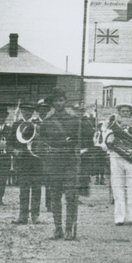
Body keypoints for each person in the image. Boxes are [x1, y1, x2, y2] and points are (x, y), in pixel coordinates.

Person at [39, 90, 82, 239]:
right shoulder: (47, 121)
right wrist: (45, 156)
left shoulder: (74, 119)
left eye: (61, 100)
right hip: (53, 162)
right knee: (54, 196)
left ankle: (69, 228)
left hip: (70, 161)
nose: (58, 103)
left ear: (65, 101)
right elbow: (40, 143)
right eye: (55, 101)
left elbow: (82, 139)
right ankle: (58, 228)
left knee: (71, 196)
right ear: (52, 103)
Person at [102, 103, 132, 226]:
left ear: (131, 113)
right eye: (122, 111)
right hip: (116, 158)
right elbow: (105, 145)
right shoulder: (110, 127)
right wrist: (112, 143)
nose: (125, 113)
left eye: (127, 111)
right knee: (117, 186)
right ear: (119, 113)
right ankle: (119, 217)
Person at [9, 101, 44, 224]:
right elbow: (9, 144)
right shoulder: (16, 125)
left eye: (30, 111)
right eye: (25, 110)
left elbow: (44, 143)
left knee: (36, 189)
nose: (27, 113)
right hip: (23, 161)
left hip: (36, 161)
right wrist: (14, 151)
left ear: (33, 112)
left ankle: (35, 216)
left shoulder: (38, 124)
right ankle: (23, 216)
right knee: (24, 190)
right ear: (22, 111)